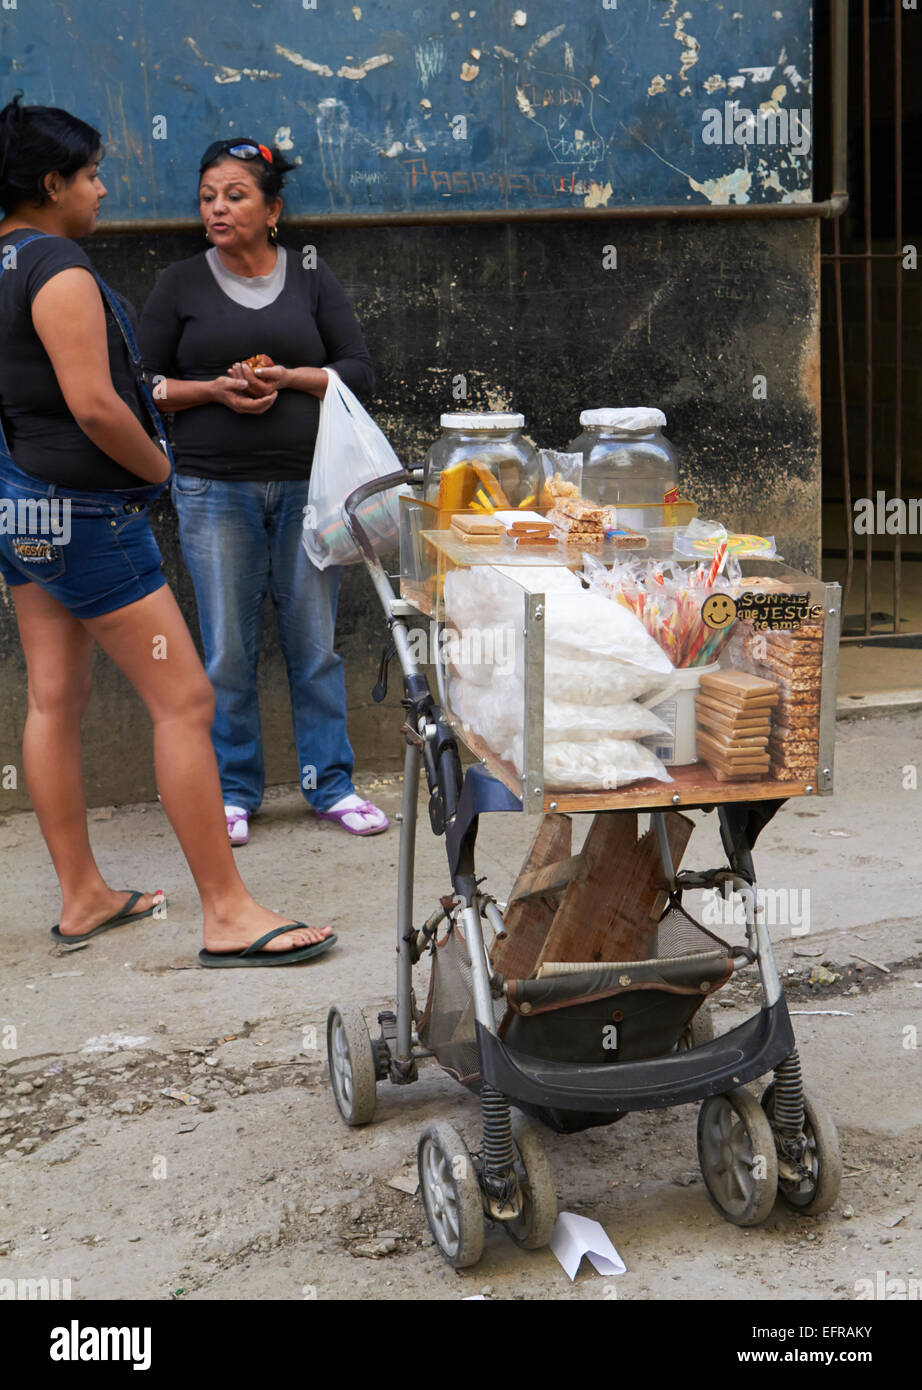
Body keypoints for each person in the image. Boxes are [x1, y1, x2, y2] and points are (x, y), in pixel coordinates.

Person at [0, 95, 333, 966]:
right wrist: (159, 466)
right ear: (50, 183)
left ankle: (83, 899)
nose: (103, 190)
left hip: (21, 508)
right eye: (91, 175)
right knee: (185, 702)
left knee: (51, 700)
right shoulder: (57, 270)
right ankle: (227, 913)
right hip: (88, 519)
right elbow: (96, 406)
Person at [138, 138, 389, 846]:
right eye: (208, 196)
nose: (218, 208)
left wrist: (291, 377)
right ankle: (234, 790)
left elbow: (359, 371)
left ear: (272, 209)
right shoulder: (178, 284)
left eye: (236, 195)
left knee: (315, 646)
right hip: (214, 490)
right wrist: (213, 390)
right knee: (226, 650)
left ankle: (330, 785)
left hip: (311, 489)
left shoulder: (310, 278)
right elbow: (142, 386)